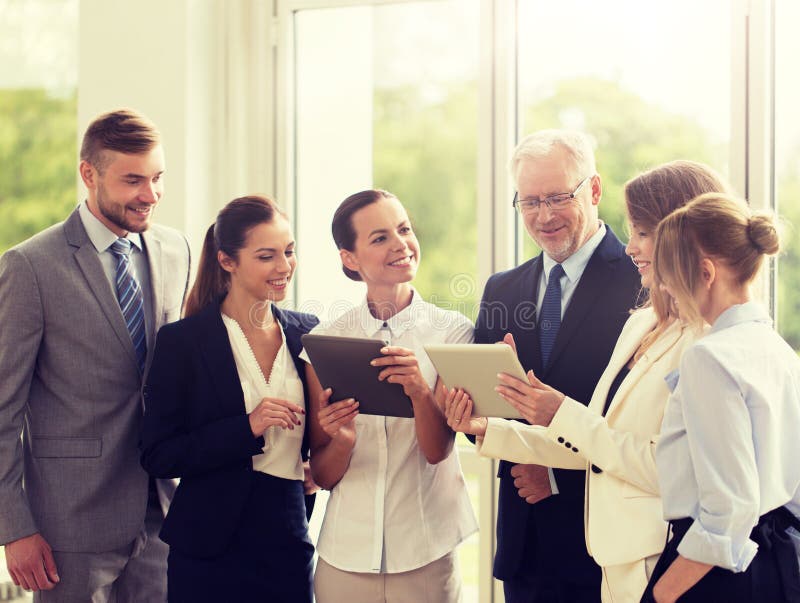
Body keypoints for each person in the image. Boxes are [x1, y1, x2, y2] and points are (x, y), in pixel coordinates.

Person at [444, 160, 730, 602]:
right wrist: (489, 428)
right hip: (607, 559)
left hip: (654, 557)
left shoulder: (710, 342)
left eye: (642, 233)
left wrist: (559, 415)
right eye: (531, 202)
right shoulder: (645, 322)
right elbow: (597, 430)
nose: (632, 247)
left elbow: (674, 470)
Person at [0, 109, 190, 601]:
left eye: (157, 178)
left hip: (162, 511)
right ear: (89, 174)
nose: (150, 195)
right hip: (70, 524)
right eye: (133, 180)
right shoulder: (30, 267)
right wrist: (14, 527)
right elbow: (3, 408)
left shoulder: (175, 250)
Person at [473, 129, 641, 602]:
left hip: (604, 542)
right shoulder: (502, 290)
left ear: (594, 189)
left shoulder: (644, 281)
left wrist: (557, 473)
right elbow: (487, 414)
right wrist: (467, 410)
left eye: (558, 197)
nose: (543, 216)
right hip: (525, 544)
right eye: (529, 202)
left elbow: (641, 423)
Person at [139, 195, 319, 602]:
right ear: (227, 261)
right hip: (207, 548)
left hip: (287, 537)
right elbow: (158, 454)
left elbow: (321, 433)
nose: (284, 267)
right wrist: (247, 427)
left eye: (289, 252)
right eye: (266, 256)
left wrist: (314, 463)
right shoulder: (183, 341)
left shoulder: (308, 334)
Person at [302, 189, 477, 603]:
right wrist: (341, 438)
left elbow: (437, 452)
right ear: (350, 258)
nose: (401, 244)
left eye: (404, 229)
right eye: (380, 238)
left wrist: (419, 392)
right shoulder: (324, 343)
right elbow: (323, 475)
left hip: (426, 551)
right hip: (344, 556)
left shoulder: (451, 333)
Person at [639, 193, 800, 602]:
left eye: (669, 273)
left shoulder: (709, 357)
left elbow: (727, 510)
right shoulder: (778, 349)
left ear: (706, 273)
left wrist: (662, 594)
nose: (663, 286)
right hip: (777, 564)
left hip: (718, 575)